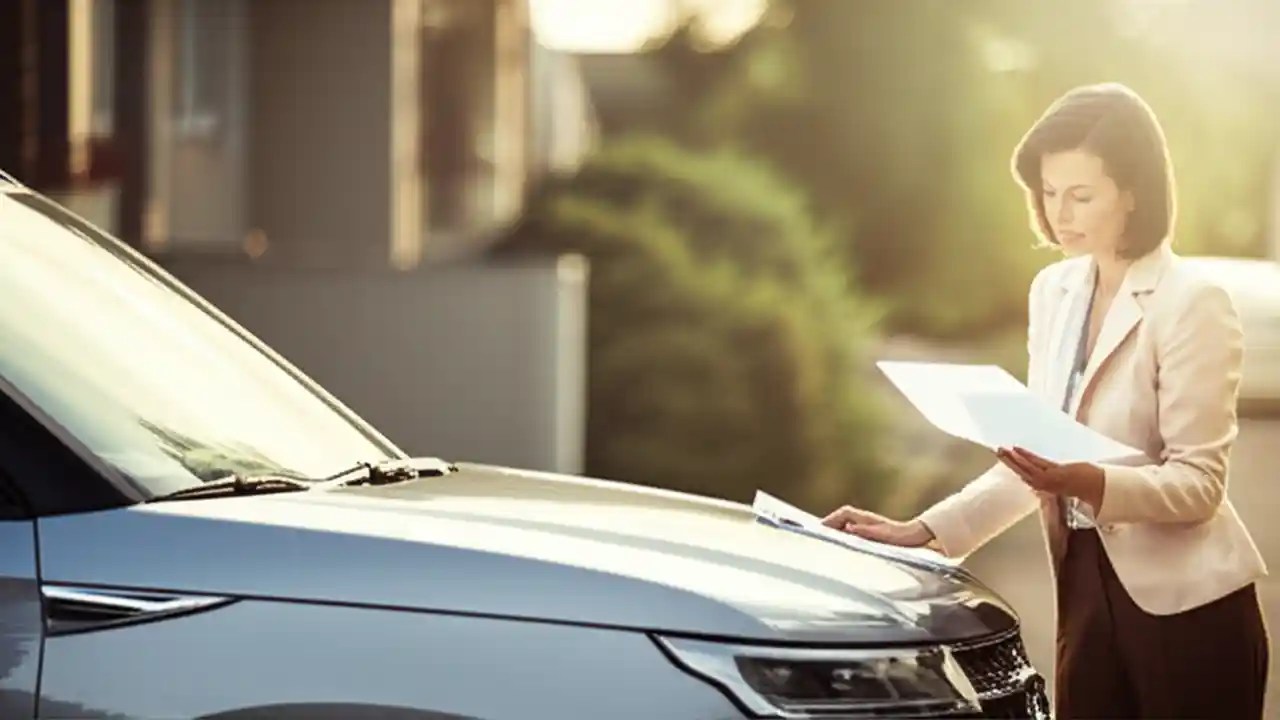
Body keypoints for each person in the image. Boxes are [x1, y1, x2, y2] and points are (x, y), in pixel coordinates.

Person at [823, 82, 1269, 719]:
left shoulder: (1193, 303)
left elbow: (1199, 483)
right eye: (1049, 193)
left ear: (1135, 191)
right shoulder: (1053, 291)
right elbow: (1034, 453)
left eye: (1082, 195)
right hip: (1084, 590)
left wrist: (1087, 481)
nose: (1061, 212)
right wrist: (924, 531)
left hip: (1189, 611)